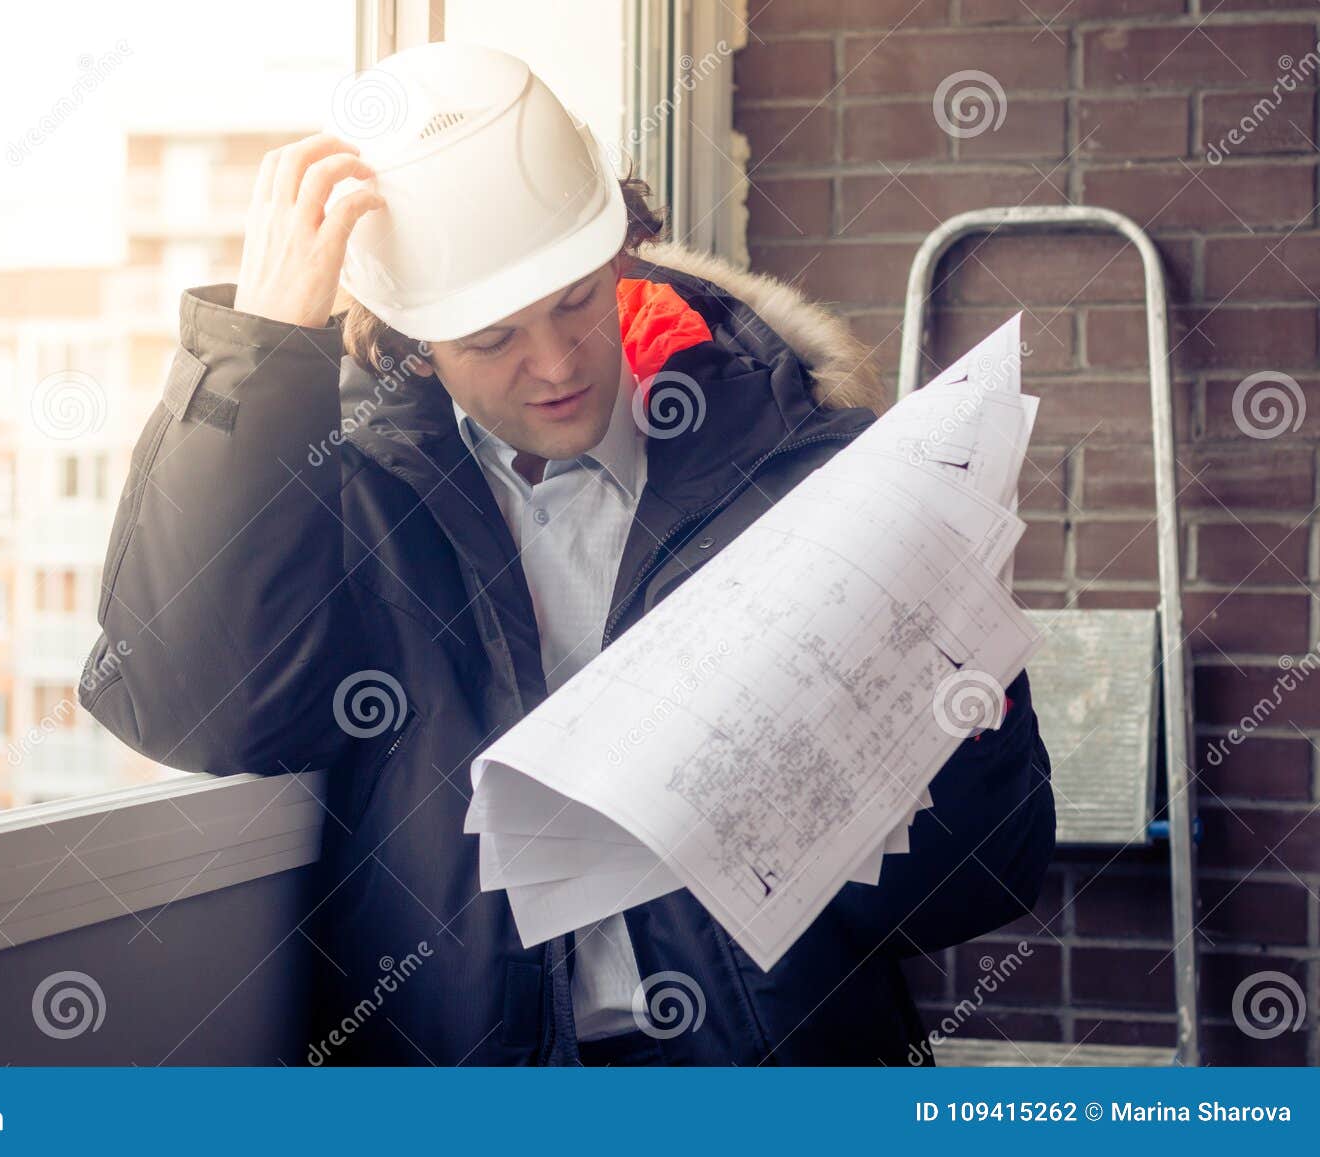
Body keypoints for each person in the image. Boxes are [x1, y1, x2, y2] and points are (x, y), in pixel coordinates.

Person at [79, 42, 1055, 1066]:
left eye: (576, 302)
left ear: (619, 254)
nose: (552, 364)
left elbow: (979, 877)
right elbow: (196, 709)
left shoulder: (802, 469)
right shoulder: (350, 489)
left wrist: (960, 702)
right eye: (492, 338)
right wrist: (256, 349)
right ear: (408, 333)